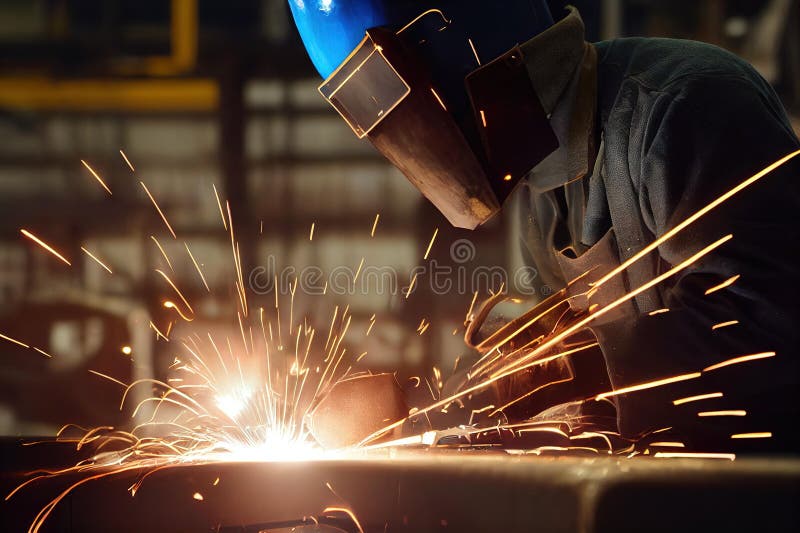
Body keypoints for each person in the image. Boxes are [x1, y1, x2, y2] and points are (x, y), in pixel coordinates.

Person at [287, 1, 800, 453]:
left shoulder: (687, 108)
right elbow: (588, 417)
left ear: (468, 50)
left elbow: (766, 333)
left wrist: (554, 373)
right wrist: (481, 410)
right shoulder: (540, 189)